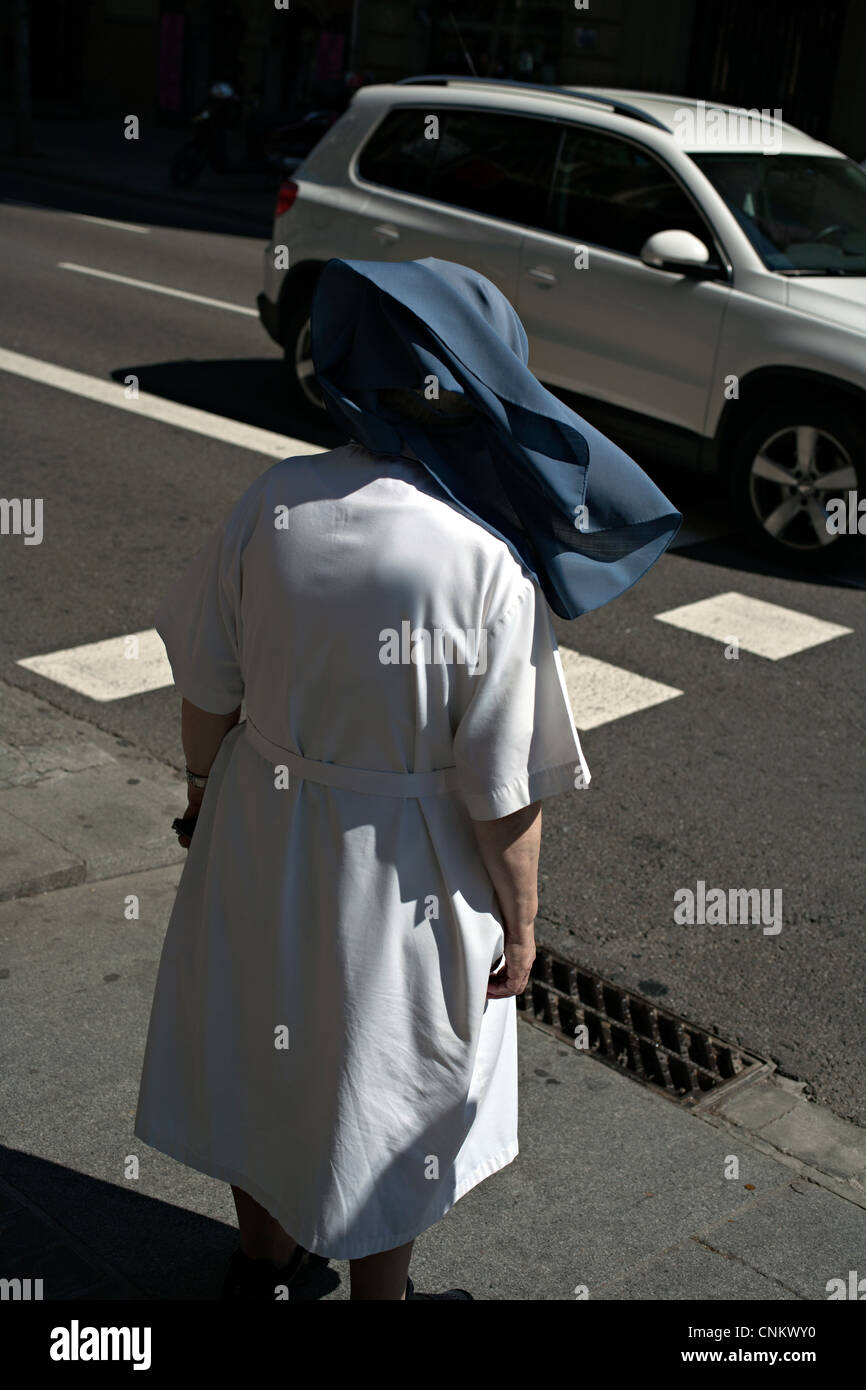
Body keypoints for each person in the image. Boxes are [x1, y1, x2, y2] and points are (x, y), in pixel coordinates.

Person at [134, 257, 681, 1301]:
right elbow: (501, 783)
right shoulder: (483, 558)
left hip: (260, 819)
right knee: (396, 1074)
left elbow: (207, 678)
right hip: (407, 868)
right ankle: (380, 1295)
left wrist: (205, 793)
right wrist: (520, 925)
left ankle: (262, 1257)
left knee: (261, 1038)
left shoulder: (276, 499)